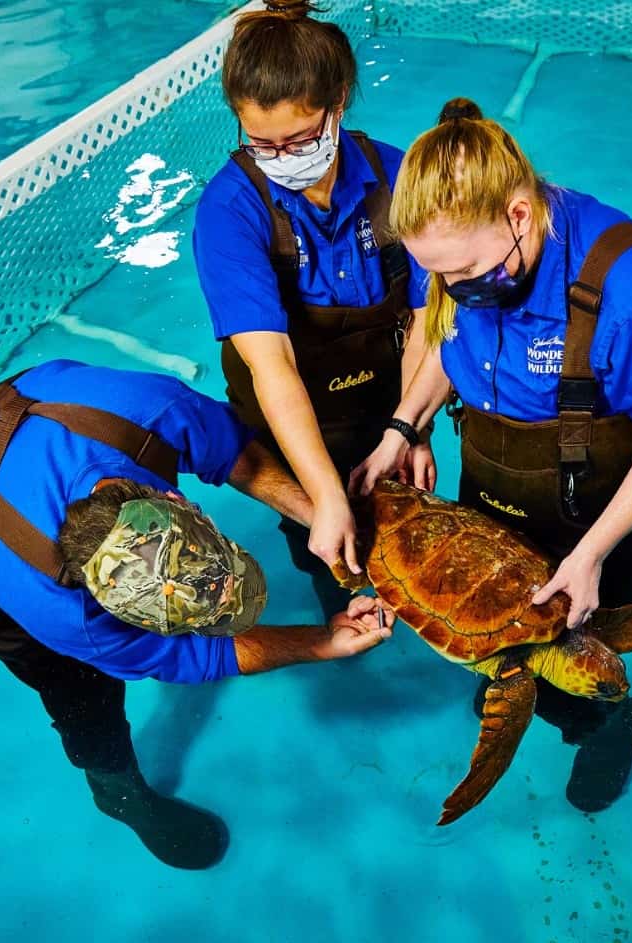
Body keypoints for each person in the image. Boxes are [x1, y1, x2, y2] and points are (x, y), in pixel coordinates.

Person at [351, 99, 632, 813]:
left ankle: (610, 724)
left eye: (466, 273)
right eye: (437, 276)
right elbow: (445, 335)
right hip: (492, 486)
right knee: (504, 655)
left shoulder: (631, 291)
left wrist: (592, 555)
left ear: (521, 215)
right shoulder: (459, 256)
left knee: (575, 675)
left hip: (599, 514)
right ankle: (527, 688)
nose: (453, 289)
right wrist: (405, 426)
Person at [0, 359, 392, 870]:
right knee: (79, 692)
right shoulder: (69, 615)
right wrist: (322, 642)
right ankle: (118, 793)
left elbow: (234, 453)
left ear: (172, 499)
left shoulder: (145, 411)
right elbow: (197, 658)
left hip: (34, 409)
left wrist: (323, 517)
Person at [192, 0, 432, 619]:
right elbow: (272, 368)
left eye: (298, 139)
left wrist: (412, 428)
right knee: (325, 546)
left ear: (339, 101)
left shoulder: (398, 176)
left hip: (389, 396)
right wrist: (323, 496)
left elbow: (429, 319)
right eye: (261, 143)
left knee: (411, 527)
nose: (281, 157)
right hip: (296, 416)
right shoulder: (229, 211)